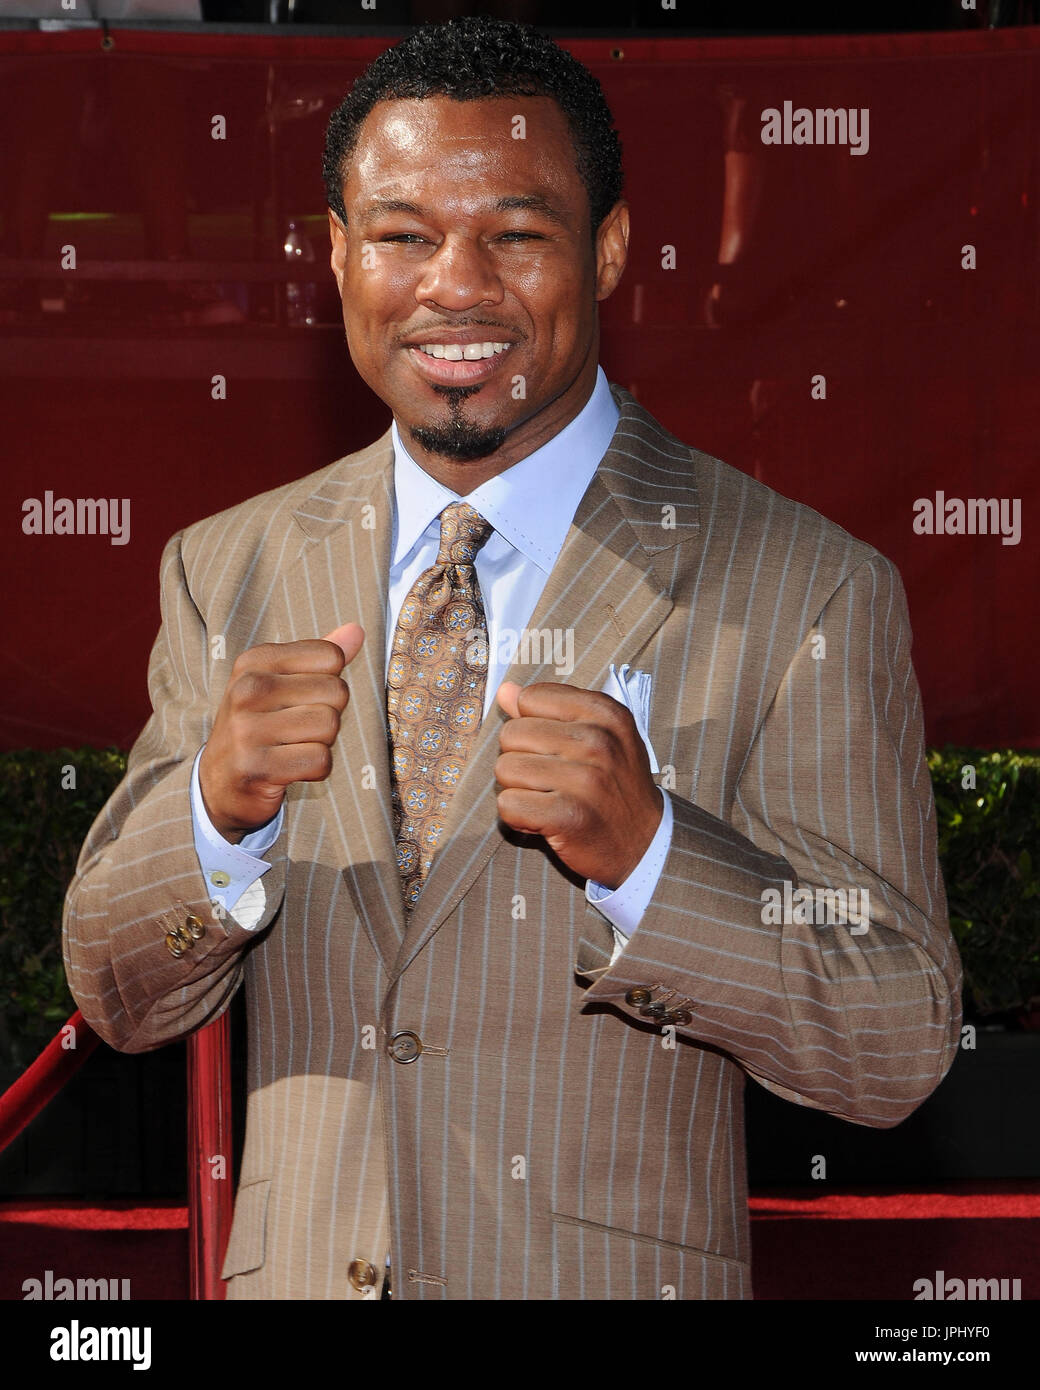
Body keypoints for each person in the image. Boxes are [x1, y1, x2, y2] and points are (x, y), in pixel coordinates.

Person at [62, 15, 962, 1301]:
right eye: (403, 234)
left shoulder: (804, 584)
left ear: (604, 250)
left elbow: (896, 1039)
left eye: (515, 232)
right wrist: (213, 811)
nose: (455, 284)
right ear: (335, 256)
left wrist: (654, 859)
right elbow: (114, 991)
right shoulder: (229, 568)